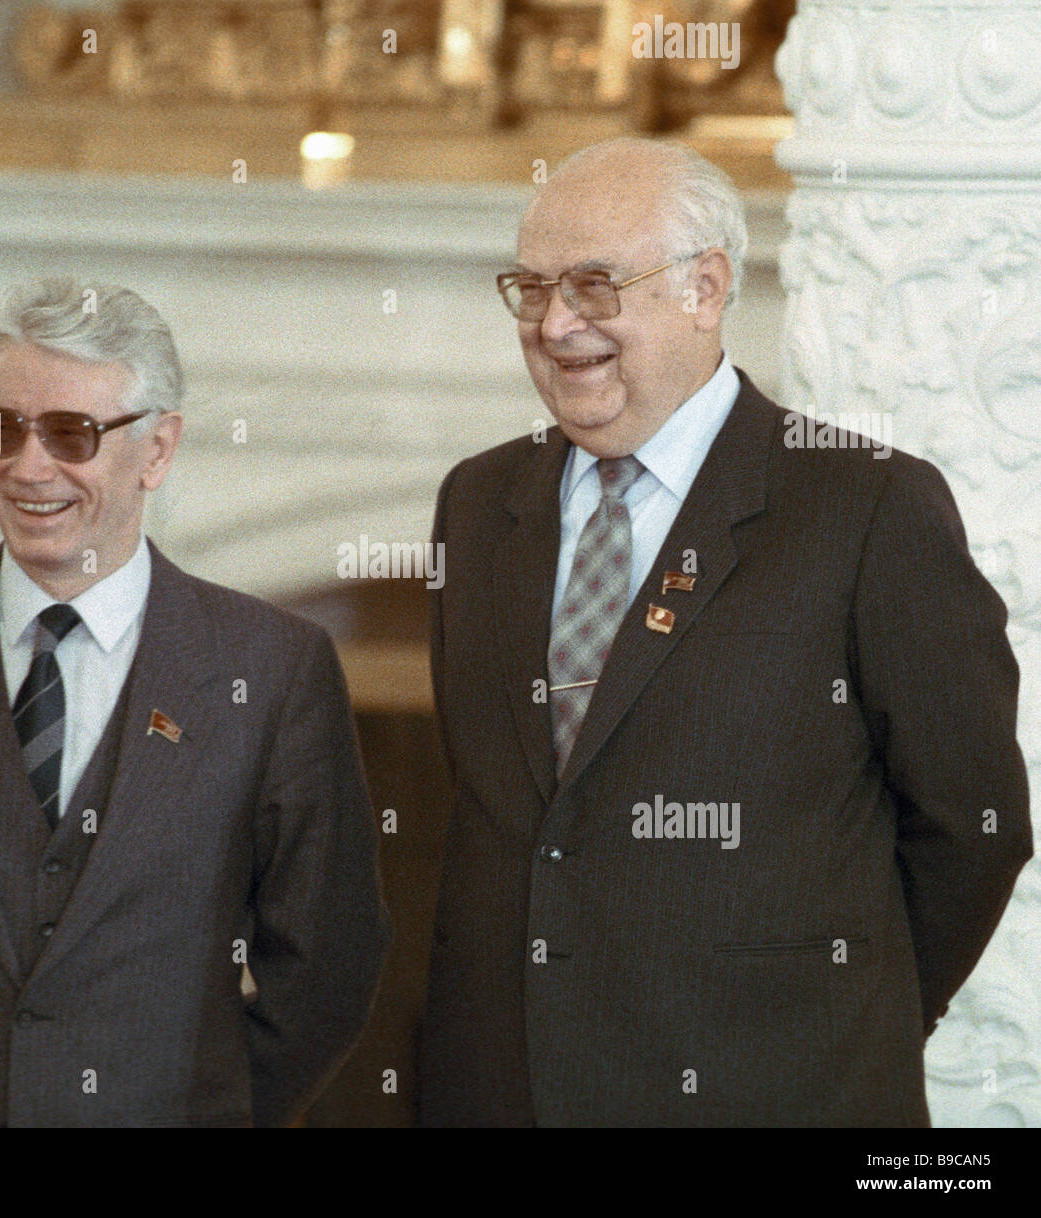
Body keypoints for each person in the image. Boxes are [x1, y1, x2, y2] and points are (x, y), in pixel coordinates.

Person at [420, 138, 1032, 1127]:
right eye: (529, 289)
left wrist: (842, 1017)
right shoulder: (479, 500)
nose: (552, 324)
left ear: (704, 288)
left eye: (592, 285)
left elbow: (973, 828)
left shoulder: (865, 506)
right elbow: (500, 821)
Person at [0, 278, 389, 1127]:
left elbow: (328, 964)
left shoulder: (275, 665)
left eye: (70, 433)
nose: (29, 468)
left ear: (158, 449)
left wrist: (201, 1103)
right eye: (1, 428)